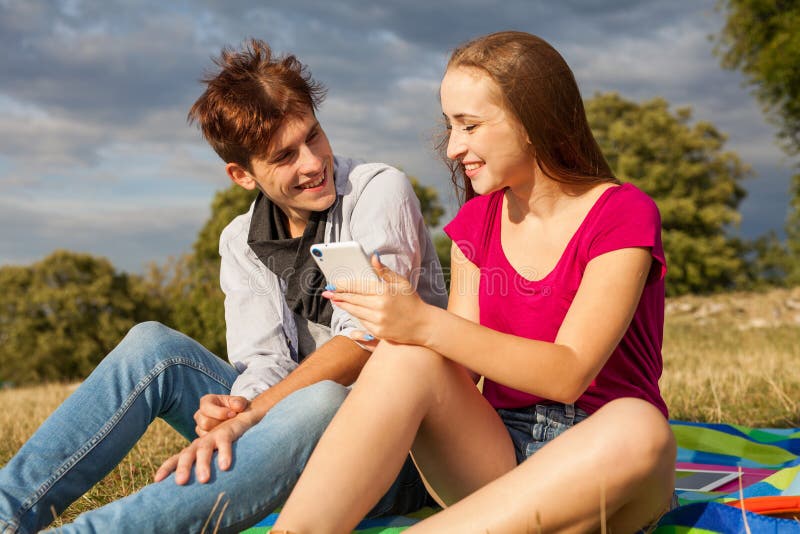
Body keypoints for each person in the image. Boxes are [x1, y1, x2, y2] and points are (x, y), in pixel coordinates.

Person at [0, 38, 446, 534]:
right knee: (154, 345)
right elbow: (264, 361)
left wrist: (250, 415)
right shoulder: (240, 240)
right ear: (241, 174)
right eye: (284, 156)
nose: (313, 162)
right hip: (281, 427)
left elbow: (366, 340)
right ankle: (6, 515)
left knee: (321, 399)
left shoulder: (377, 191)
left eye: (314, 136)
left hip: (393, 452)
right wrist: (233, 406)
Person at [273, 31, 677, 534]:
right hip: (498, 458)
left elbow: (570, 372)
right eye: (450, 125)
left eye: (469, 125)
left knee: (640, 427)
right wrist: (399, 324)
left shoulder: (622, 214)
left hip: (605, 464)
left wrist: (424, 322)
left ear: (534, 121)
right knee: (404, 358)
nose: (454, 146)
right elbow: (460, 369)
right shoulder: (476, 222)